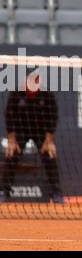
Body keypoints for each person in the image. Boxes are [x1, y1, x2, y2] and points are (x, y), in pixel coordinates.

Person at [1, 71, 63, 204]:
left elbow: (53, 116)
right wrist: (11, 140)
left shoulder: (47, 94)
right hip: (20, 130)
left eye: (37, 81)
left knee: (50, 155)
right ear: (26, 81)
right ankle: (3, 192)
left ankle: (56, 192)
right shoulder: (17, 93)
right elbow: (9, 115)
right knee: (11, 155)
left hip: (41, 131)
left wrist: (49, 140)